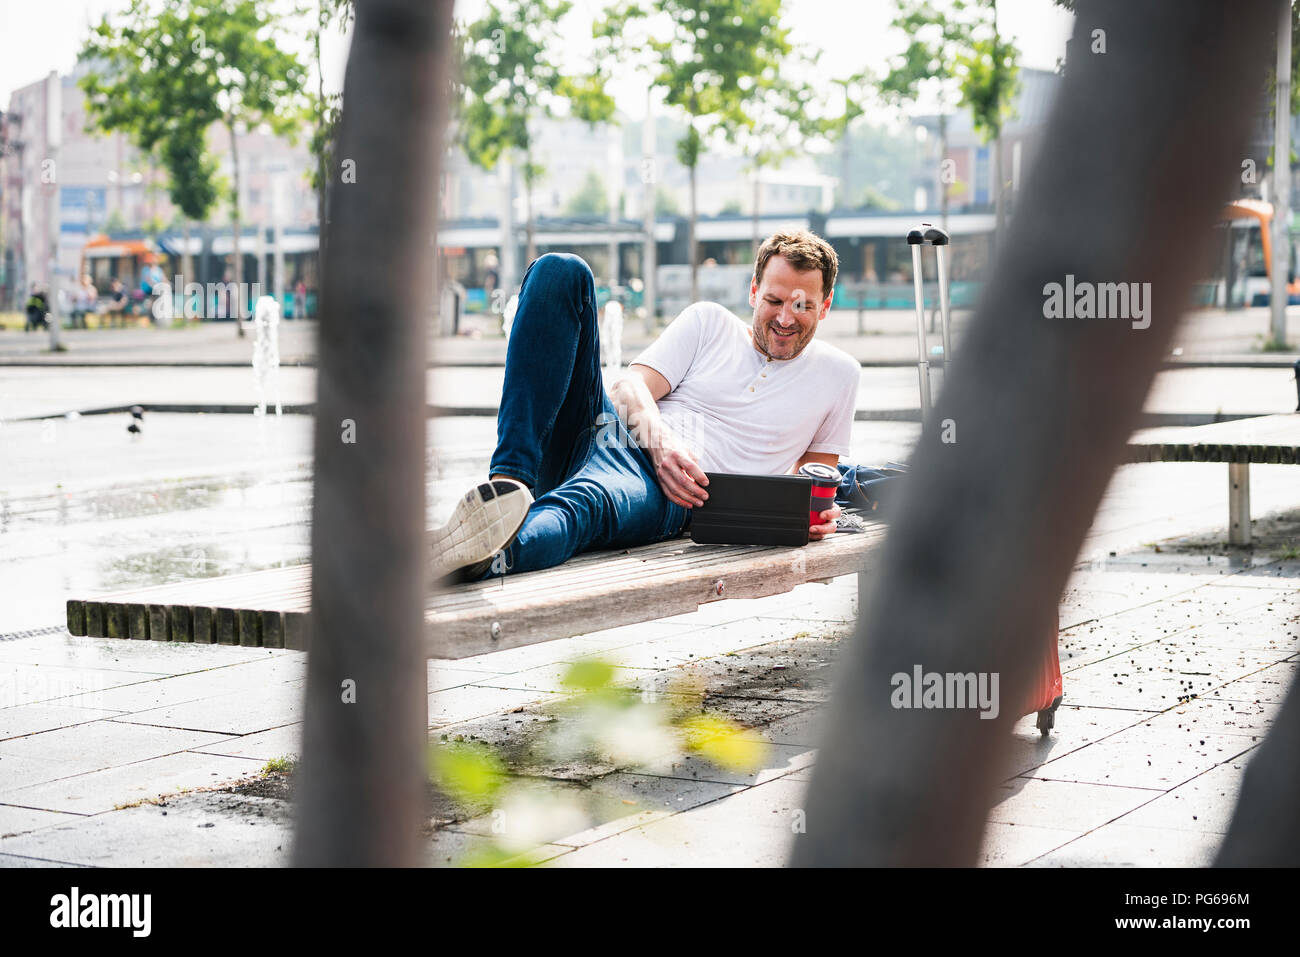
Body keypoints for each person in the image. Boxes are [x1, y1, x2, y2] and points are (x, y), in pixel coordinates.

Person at [429, 229, 860, 582]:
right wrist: (662, 444)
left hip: (672, 493)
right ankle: (508, 486)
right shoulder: (707, 321)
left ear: (824, 306)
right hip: (612, 430)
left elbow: (814, 480)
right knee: (561, 270)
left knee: (586, 505)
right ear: (753, 292)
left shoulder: (839, 375)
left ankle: (483, 555)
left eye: (801, 305)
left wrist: (817, 515)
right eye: (774, 300)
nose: (785, 317)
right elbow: (628, 387)